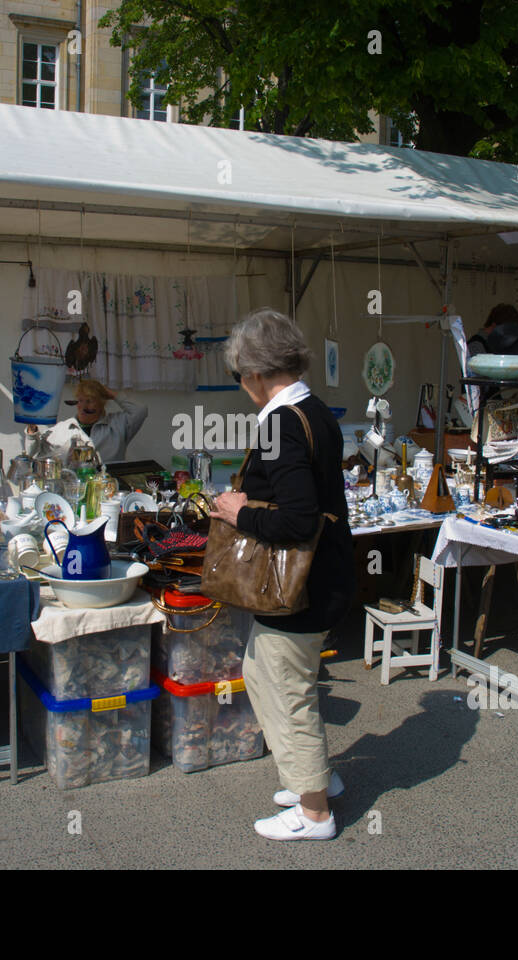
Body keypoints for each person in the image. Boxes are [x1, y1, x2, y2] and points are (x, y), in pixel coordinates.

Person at [209, 308, 355, 840]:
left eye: (238, 375)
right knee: (261, 673)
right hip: (326, 571)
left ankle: (314, 812)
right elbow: (308, 496)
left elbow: (295, 518)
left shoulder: (277, 421)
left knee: (286, 687)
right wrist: (256, 498)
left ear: (252, 371)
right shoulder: (314, 409)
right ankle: (312, 779)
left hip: (301, 582)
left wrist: (236, 513)